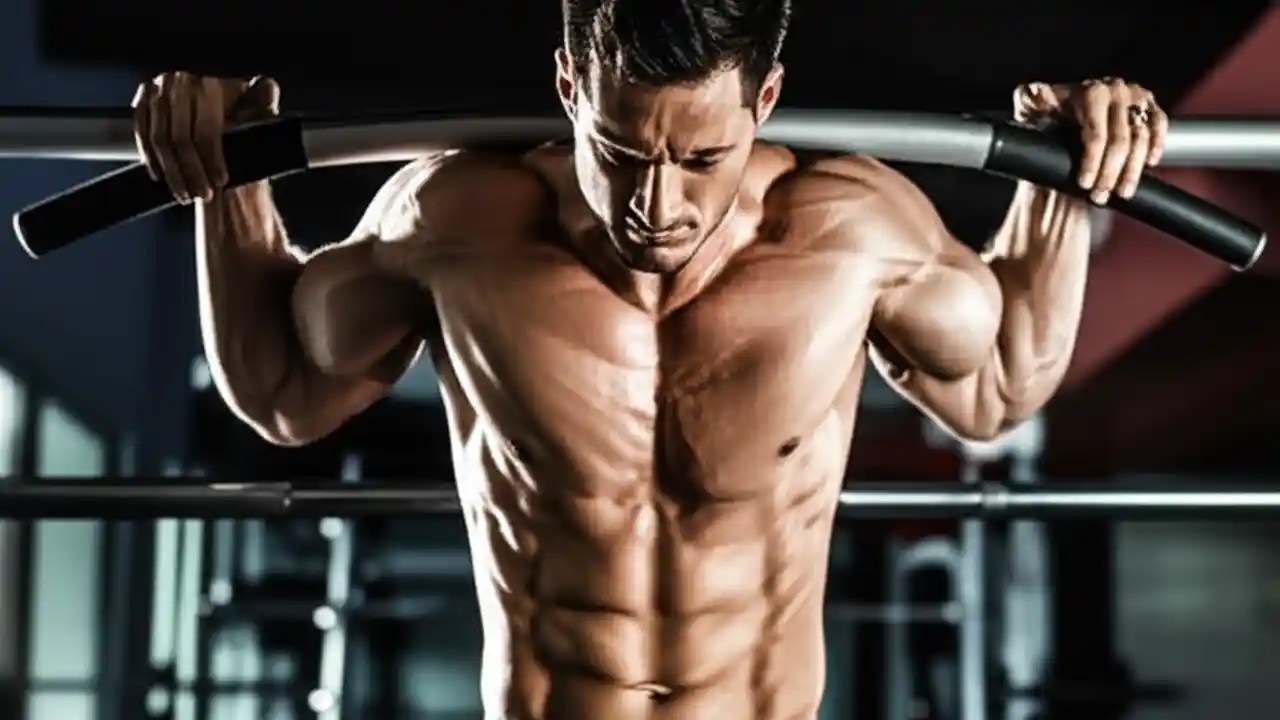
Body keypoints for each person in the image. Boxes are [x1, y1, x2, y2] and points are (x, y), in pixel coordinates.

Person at [131, 1, 1166, 717]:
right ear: (570, 82)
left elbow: (994, 391)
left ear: (764, 99)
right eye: (619, 151)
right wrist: (228, 177)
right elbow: (283, 396)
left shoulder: (849, 233)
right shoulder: (455, 221)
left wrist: (1065, 181)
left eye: (699, 158)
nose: (654, 206)